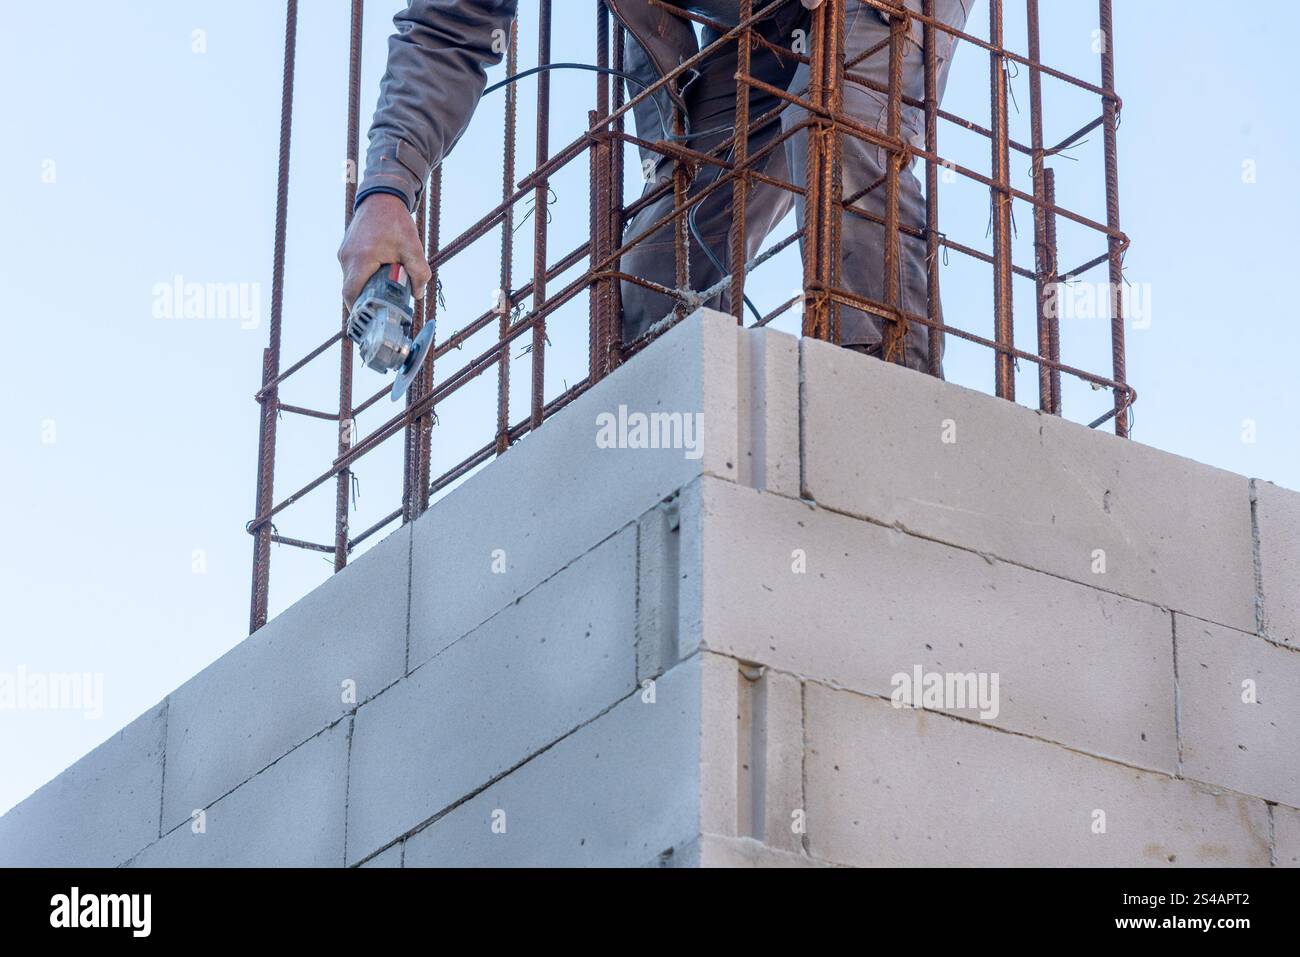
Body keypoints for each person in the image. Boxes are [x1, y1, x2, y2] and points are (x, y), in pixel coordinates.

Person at [338, 0, 971, 372]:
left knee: (837, 134)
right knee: (656, 274)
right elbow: (450, 27)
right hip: (752, 22)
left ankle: (885, 424)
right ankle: (685, 489)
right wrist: (387, 191)